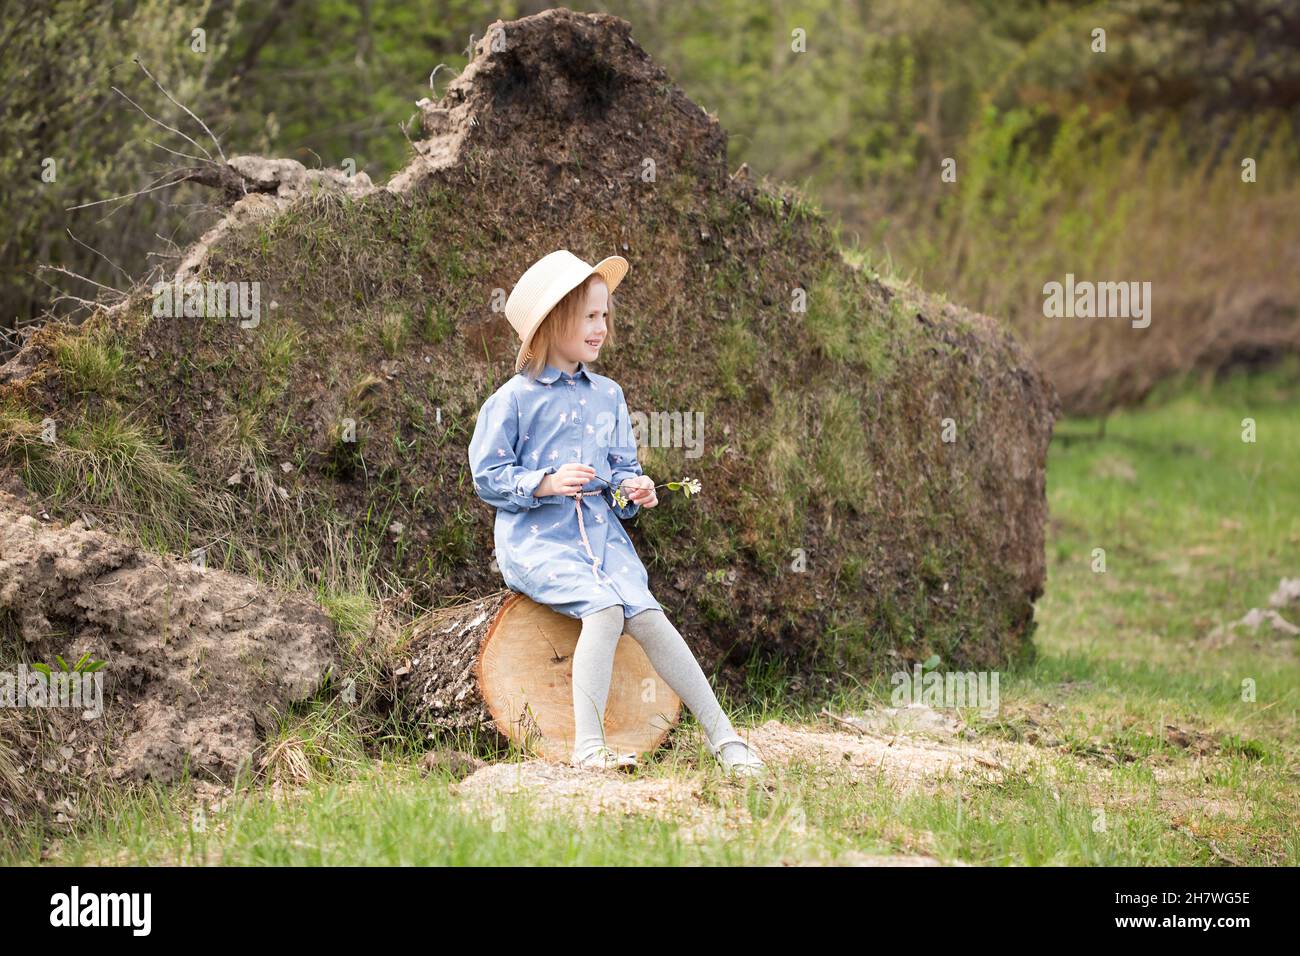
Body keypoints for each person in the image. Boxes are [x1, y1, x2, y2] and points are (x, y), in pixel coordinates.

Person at [467, 249, 766, 777]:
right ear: (553, 321)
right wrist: (544, 483)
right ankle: (588, 747)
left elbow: (621, 472)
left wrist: (635, 488)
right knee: (604, 609)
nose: (601, 326)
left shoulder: (608, 396)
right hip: (541, 544)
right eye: (589, 316)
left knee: (649, 615)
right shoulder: (513, 401)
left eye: (604, 314)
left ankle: (725, 737)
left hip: (603, 543)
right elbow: (488, 476)